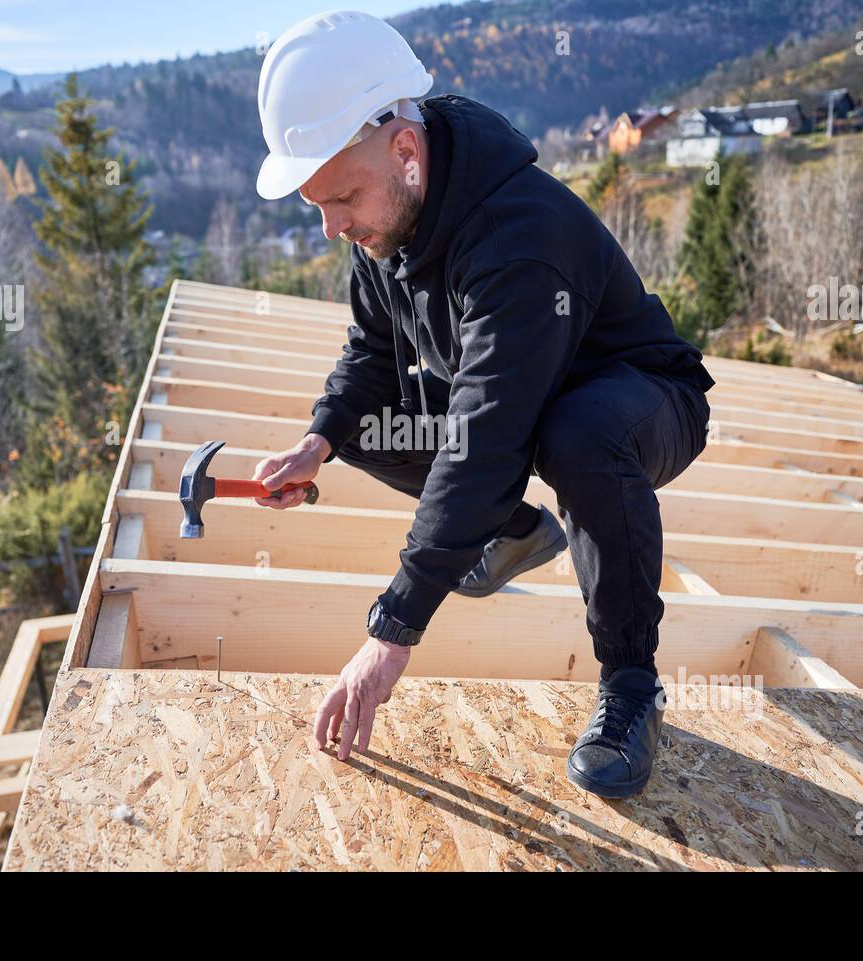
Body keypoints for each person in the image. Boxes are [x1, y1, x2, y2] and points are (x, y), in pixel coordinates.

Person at [249, 10, 714, 798]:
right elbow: (370, 355)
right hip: (520, 402)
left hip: (640, 401)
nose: (332, 227)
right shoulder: (385, 224)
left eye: (340, 199)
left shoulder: (516, 239)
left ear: (404, 152)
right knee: (363, 417)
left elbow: (484, 440)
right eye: (315, 205)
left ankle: (633, 689)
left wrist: (392, 629)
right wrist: (319, 440)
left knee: (576, 434)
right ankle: (508, 535)